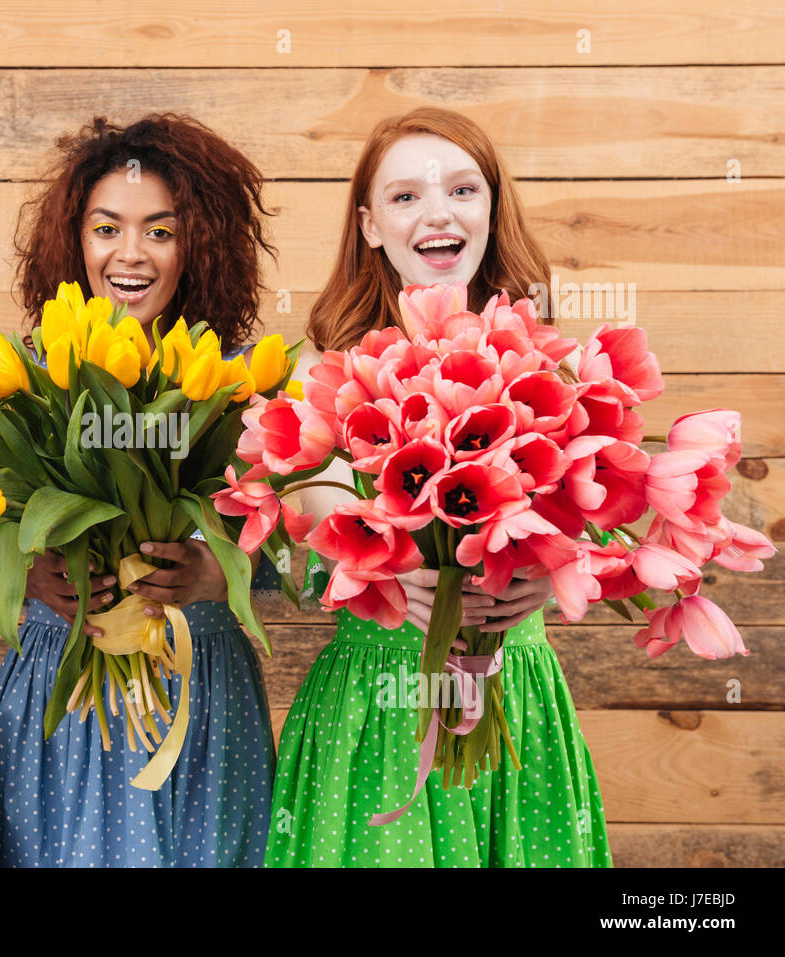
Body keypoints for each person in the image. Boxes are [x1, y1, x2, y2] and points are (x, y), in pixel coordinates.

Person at [266, 107, 611, 867]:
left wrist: (556, 574)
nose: (437, 214)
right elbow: (311, 493)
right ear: (368, 224)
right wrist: (385, 559)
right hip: (380, 701)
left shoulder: (555, 364)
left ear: (491, 207)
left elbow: (595, 513)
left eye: (462, 190)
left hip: (514, 689)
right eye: (404, 197)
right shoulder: (321, 369)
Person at [0, 114, 278, 866]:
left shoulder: (240, 377)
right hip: (64, 670)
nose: (130, 254)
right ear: (75, 241)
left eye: (161, 231)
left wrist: (219, 570)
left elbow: (294, 534)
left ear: (197, 244)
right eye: (106, 228)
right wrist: (25, 561)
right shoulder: (35, 371)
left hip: (196, 673)